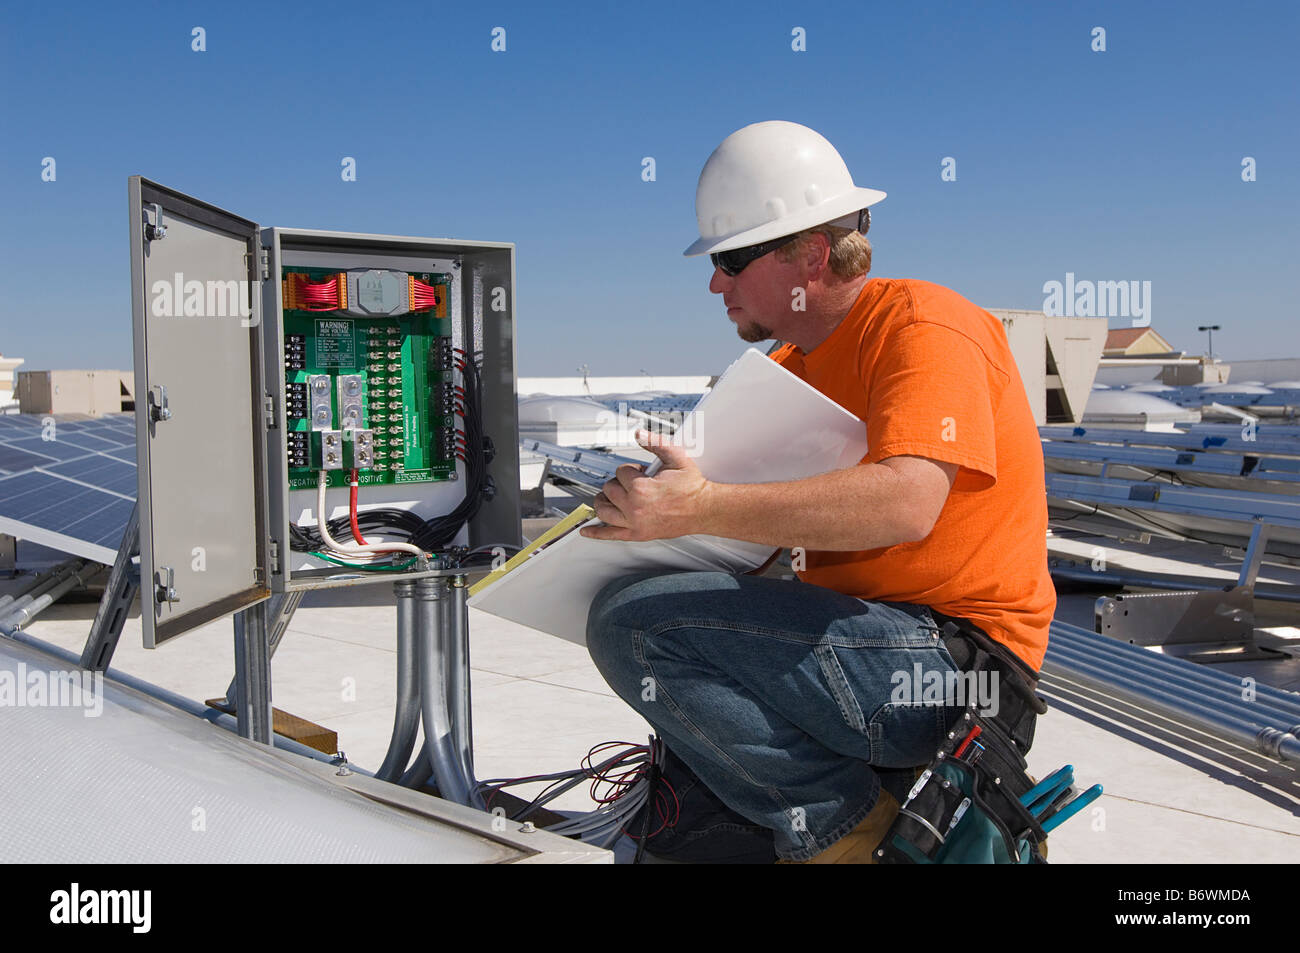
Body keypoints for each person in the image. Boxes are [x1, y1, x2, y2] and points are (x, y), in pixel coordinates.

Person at [580, 120, 1055, 863]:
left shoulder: (924, 326)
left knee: (637, 627)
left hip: (954, 669)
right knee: (646, 613)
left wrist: (701, 506)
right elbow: (767, 532)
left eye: (732, 258)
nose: (715, 281)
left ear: (809, 252)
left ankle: (849, 836)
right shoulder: (794, 365)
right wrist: (663, 521)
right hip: (878, 638)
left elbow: (907, 500)